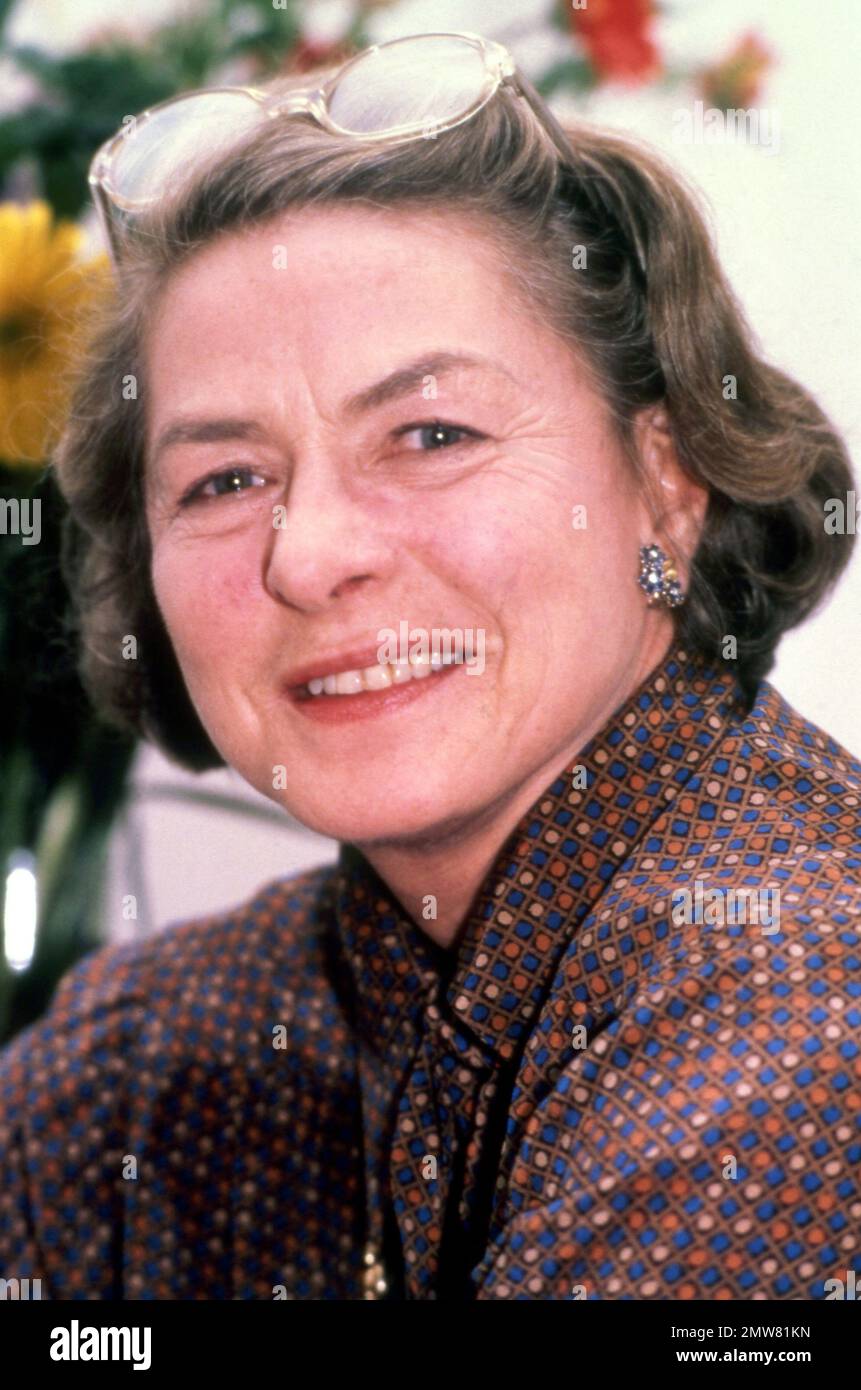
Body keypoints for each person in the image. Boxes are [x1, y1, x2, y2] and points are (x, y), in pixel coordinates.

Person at [1, 31, 859, 1301]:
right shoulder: (145, 1054)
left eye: (431, 432)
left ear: (667, 486)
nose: (314, 556)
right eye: (225, 479)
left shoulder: (803, 992)